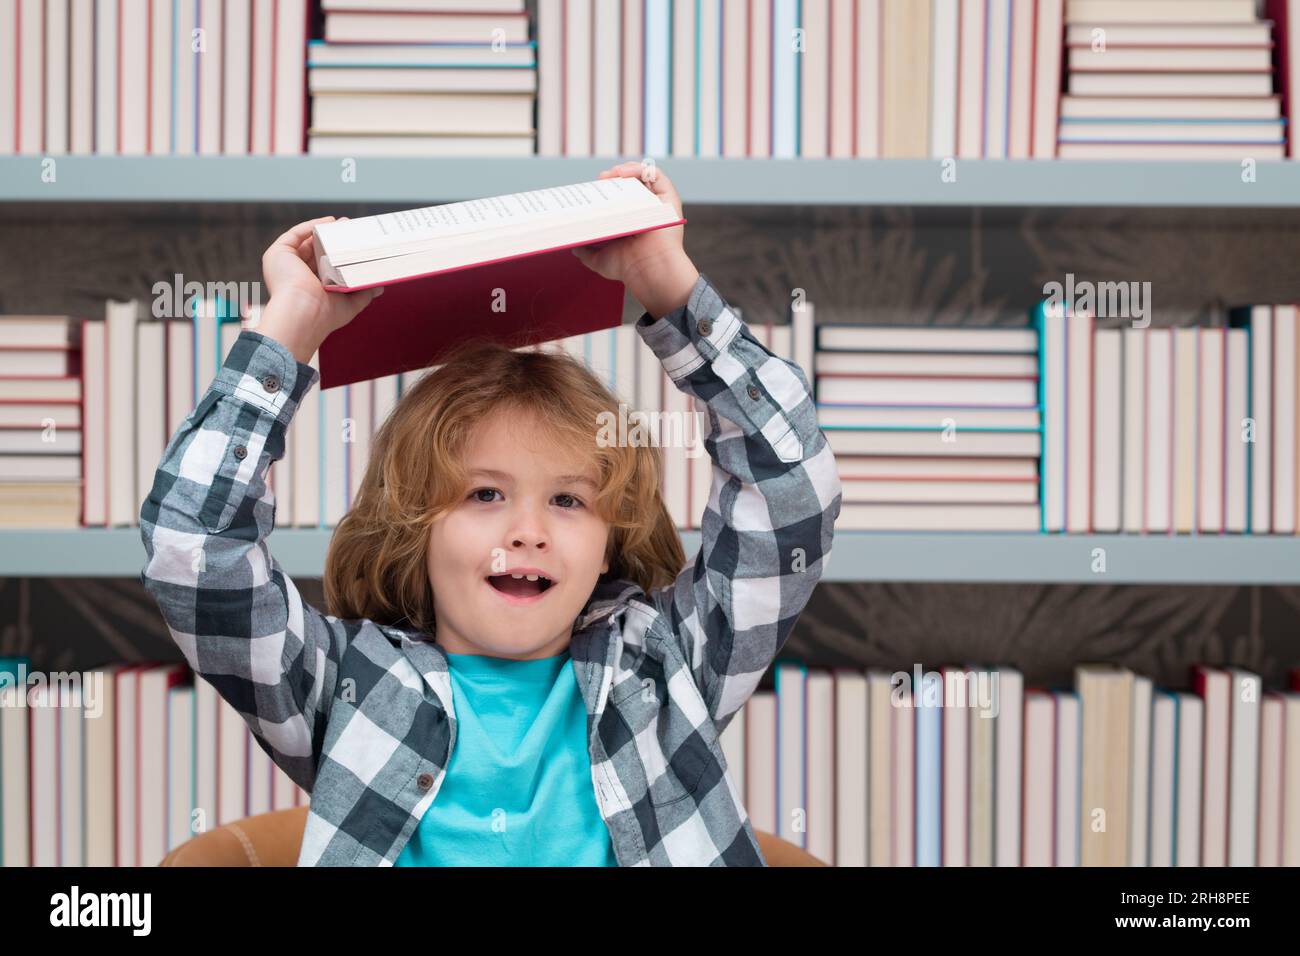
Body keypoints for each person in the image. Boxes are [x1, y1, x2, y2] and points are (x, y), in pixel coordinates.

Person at [139, 161, 842, 866]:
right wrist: (290, 327)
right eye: (484, 494)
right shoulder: (345, 683)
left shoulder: (670, 668)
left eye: (568, 500)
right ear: (414, 527)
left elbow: (792, 493)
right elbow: (192, 550)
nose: (527, 532)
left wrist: (667, 283)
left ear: (610, 542)